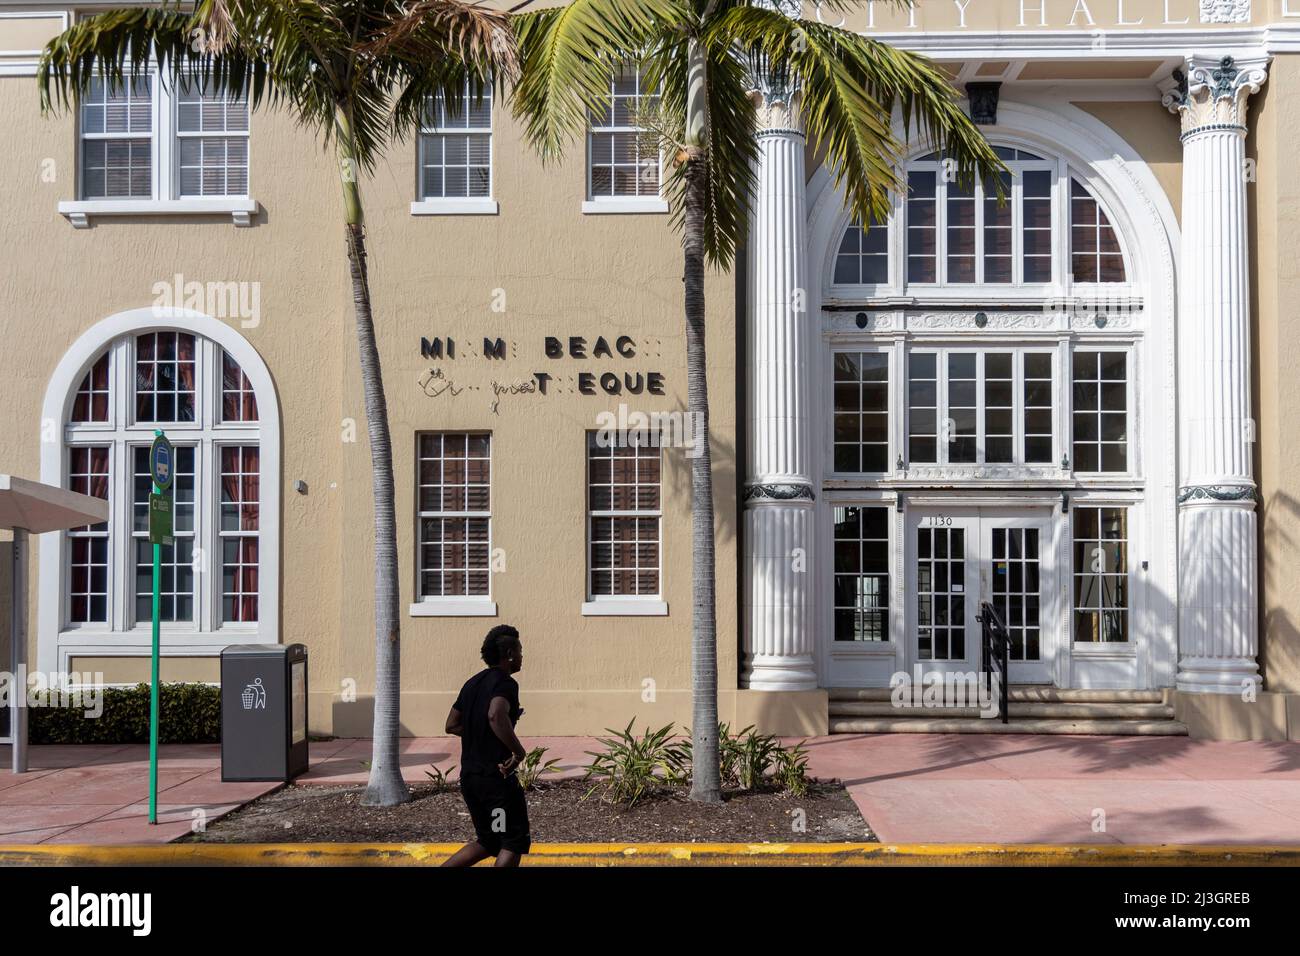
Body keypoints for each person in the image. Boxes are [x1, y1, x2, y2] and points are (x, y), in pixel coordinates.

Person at [441, 624, 530, 867]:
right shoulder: (505, 683)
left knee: (490, 841)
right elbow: (496, 715)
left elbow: (451, 724)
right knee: (512, 841)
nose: (522, 656)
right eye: (520, 651)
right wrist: (518, 752)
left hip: (471, 779)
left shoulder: (472, 683)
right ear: (509, 654)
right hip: (496, 781)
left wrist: (480, 734)